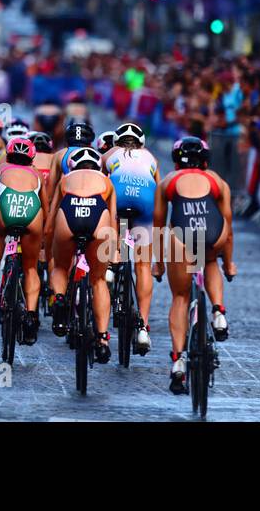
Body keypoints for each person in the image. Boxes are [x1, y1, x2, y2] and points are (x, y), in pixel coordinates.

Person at [155, 136, 235, 395]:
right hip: (212, 228)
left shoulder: (168, 181)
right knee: (210, 259)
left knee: (180, 296)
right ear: (205, 160)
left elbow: (158, 224)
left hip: (181, 229)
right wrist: (230, 263)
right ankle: (218, 312)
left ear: (177, 160)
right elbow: (229, 227)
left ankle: (178, 361)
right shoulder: (217, 181)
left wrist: (159, 263)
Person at [45, 145, 116, 363]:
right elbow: (113, 224)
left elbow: (50, 221)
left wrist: (47, 251)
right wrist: (114, 254)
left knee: (59, 267)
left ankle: (58, 300)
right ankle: (103, 340)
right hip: (98, 216)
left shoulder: (65, 180)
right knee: (98, 280)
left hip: (69, 213)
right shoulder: (106, 181)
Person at [0, 136, 46, 344]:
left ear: (8, 155)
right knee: (30, 269)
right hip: (31, 212)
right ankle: (32, 315)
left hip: (6, 208)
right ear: (31, 158)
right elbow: (45, 206)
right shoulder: (37, 175)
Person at [102, 121, 160, 354]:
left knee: (106, 210)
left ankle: (110, 262)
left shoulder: (111, 153)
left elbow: (97, 183)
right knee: (143, 265)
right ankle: (143, 327)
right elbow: (158, 187)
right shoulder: (151, 157)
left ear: (117, 142)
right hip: (145, 202)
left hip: (119, 200)